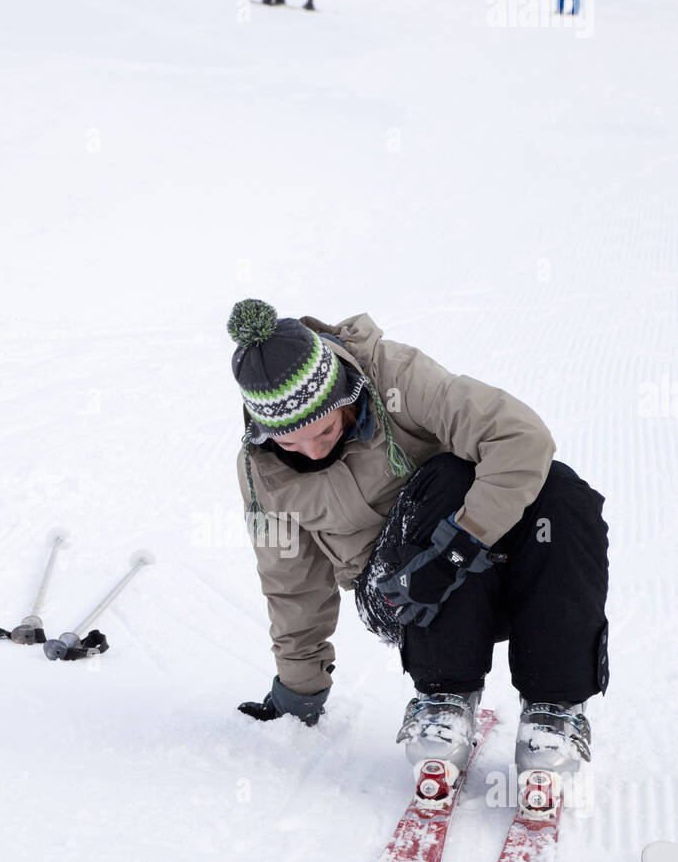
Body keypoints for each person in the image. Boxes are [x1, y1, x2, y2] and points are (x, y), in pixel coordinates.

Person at [230, 300, 609, 782]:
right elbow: (292, 584)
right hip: (395, 595)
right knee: (445, 477)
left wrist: (460, 546)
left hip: (483, 564)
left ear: (346, 393)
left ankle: (555, 706)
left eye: (324, 429)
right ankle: (443, 697)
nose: (311, 449)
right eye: (289, 441)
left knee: (558, 490)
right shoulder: (260, 473)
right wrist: (297, 693)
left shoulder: (395, 376)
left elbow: (522, 436)